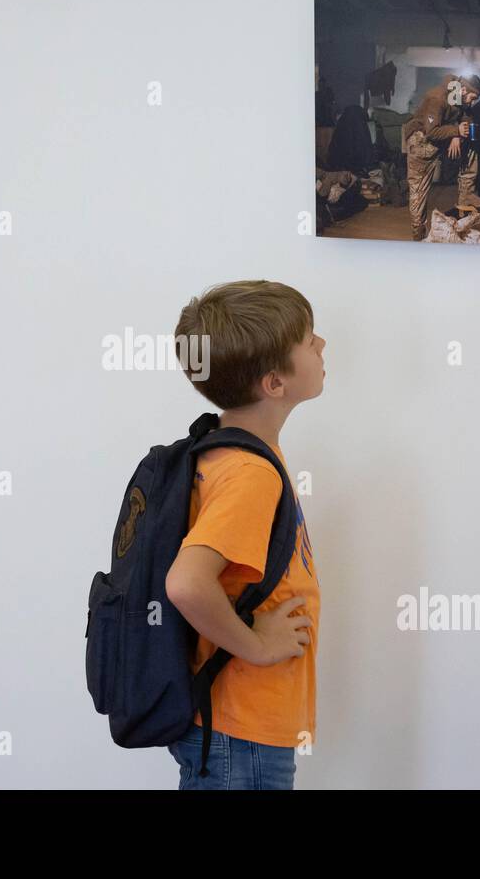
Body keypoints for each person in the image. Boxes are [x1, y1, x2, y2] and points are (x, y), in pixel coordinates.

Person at [165, 280, 324, 790]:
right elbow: (187, 583)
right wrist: (255, 646)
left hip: (237, 727)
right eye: (309, 340)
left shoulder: (228, 450)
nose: (322, 347)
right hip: (242, 732)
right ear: (275, 382)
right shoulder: (249, 472)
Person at [402, 73, 480, 240]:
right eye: (472, 97)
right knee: (418, 192)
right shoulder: (437, 98)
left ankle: (467, 194)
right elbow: (431, 132)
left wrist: (457, 136)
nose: (472, 102)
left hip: (439, 138)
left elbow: (466, 115)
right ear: (462, 91)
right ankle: (418, 236)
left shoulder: (459, 97)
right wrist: (455, 131)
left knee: (470, 145)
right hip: (421, 142)